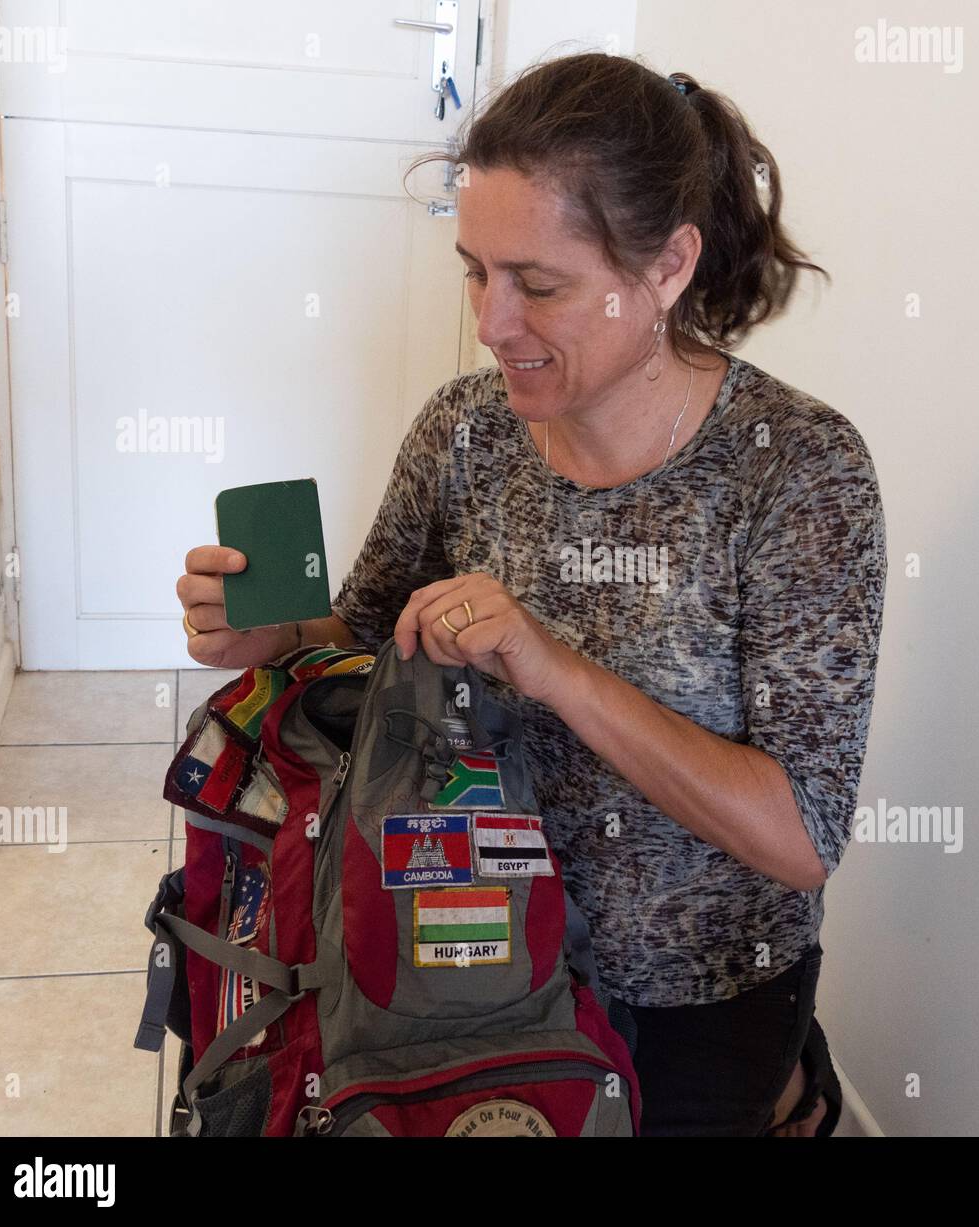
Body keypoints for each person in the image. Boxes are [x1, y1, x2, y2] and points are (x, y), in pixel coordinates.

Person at [176, 53, 886, 1137]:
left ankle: (789, 1085)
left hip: (698, 987)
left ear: (668, 267)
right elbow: (364, 631)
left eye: (538, 285)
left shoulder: (794, 472)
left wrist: (553, 667)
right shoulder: (464, 430)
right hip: (477, 968)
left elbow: (798, 835)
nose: (491, 323)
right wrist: (270, 633)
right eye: (474, 271)